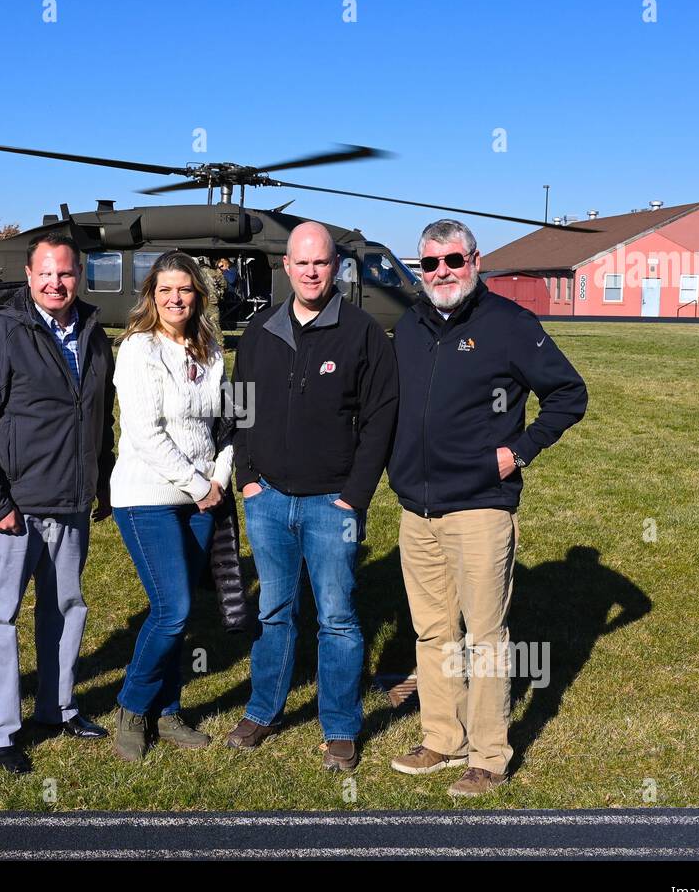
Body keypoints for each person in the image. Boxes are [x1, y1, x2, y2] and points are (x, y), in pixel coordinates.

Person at [387, 218, 587, 797]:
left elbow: (569, 394)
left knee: (485, 635)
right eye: (431, 264)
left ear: (476, 260)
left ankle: (489, 754)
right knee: (431, 632)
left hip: (479, 505)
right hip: (416, 508)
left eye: (454, 260)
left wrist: (519, 451)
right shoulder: (410, 324)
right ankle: (442, 740)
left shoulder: (510, 325)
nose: (443, 273)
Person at [225, 221, 398, 771]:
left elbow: (380, 419)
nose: (311, 272)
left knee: (338, 617)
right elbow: (241, 410)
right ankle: (262, 711)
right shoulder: (260, 332)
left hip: (333, 505)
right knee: (274, 611)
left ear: (336, 266)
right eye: (302, 263)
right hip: (269, 499)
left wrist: (355, 495)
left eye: (321, 263)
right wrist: (248, 480)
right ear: (286, 267)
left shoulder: (362, 332)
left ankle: (341, 726)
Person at [0, 231, 115, 774]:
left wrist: (102, 482)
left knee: (67, 608)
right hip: (12, 509)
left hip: (69, 501)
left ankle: (58, 706)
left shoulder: (94, 335)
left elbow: (98, 419)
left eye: (65, 273)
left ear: (79, 277)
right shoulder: (1, 336)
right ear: (28, 275)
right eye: (45, 273)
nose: (55, 283)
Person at [108, 251, 233, 761]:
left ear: (197, 296)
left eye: (183, 290)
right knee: (172, 608)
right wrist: (196, 483)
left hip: (202, 498)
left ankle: (168, 710)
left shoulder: (211, 354)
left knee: (181, 616)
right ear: (151, 297)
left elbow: (224, 428)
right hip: (148, 497)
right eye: (164, 291)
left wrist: (218, 480)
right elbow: (145, 432)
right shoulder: (138, 350)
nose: (174, 299)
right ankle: (132, 708)